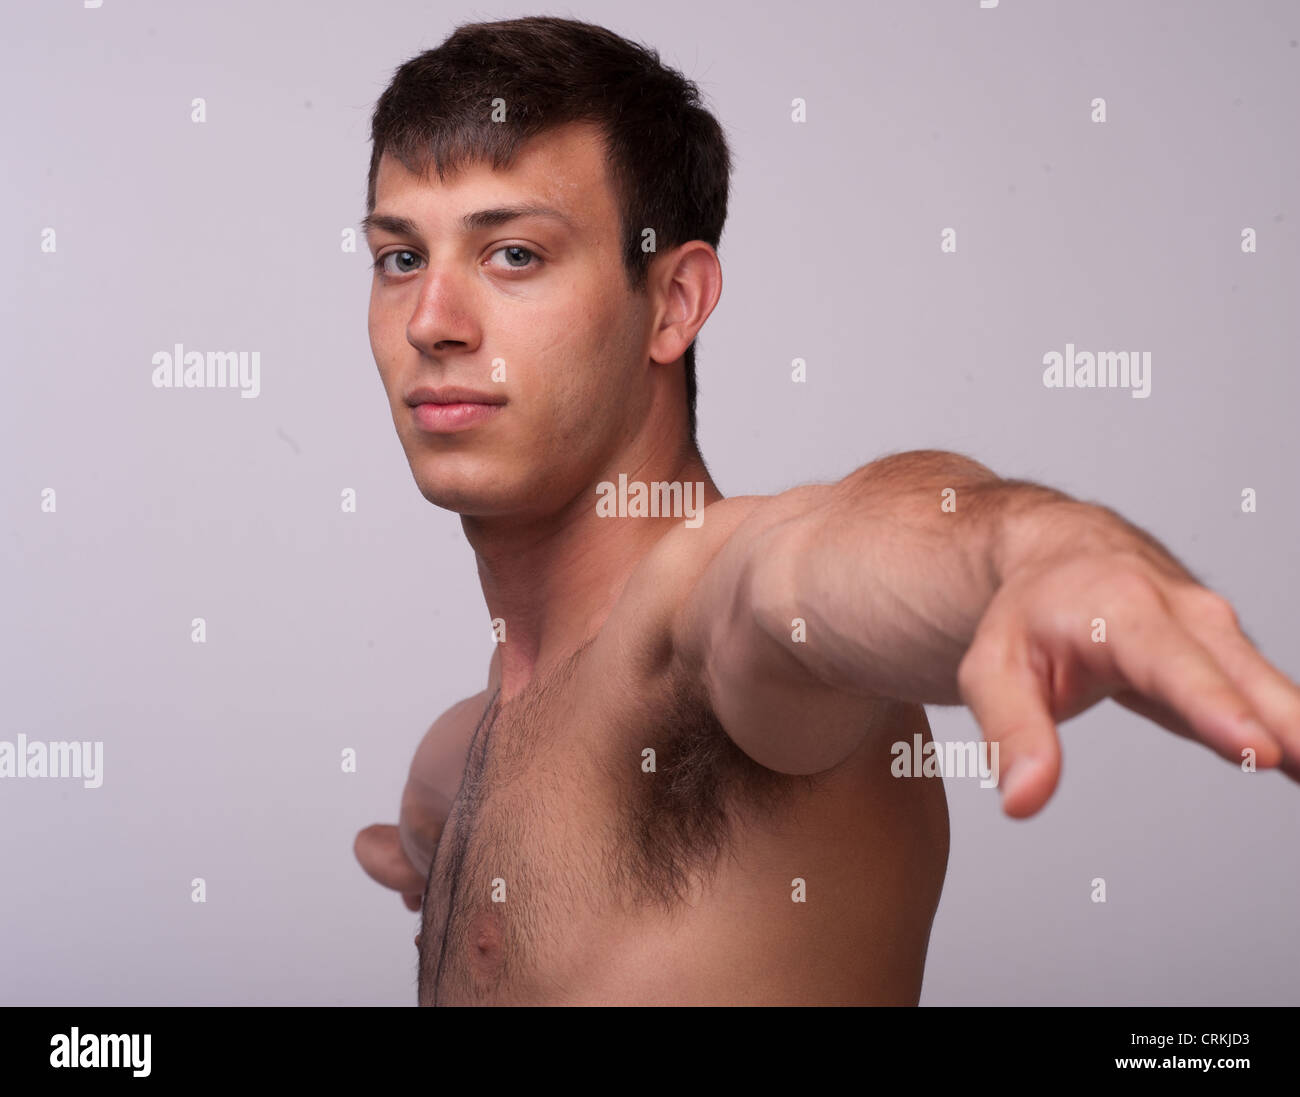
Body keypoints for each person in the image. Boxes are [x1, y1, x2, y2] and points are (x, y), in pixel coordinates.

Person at [352, 16, 1299, 1005]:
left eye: (512, 254)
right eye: (400, 258)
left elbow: (815, 559)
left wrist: (1031, 551)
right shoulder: (473, 740)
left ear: (673, 303)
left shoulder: (702, 632)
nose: (432, 321)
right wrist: (435, 841)